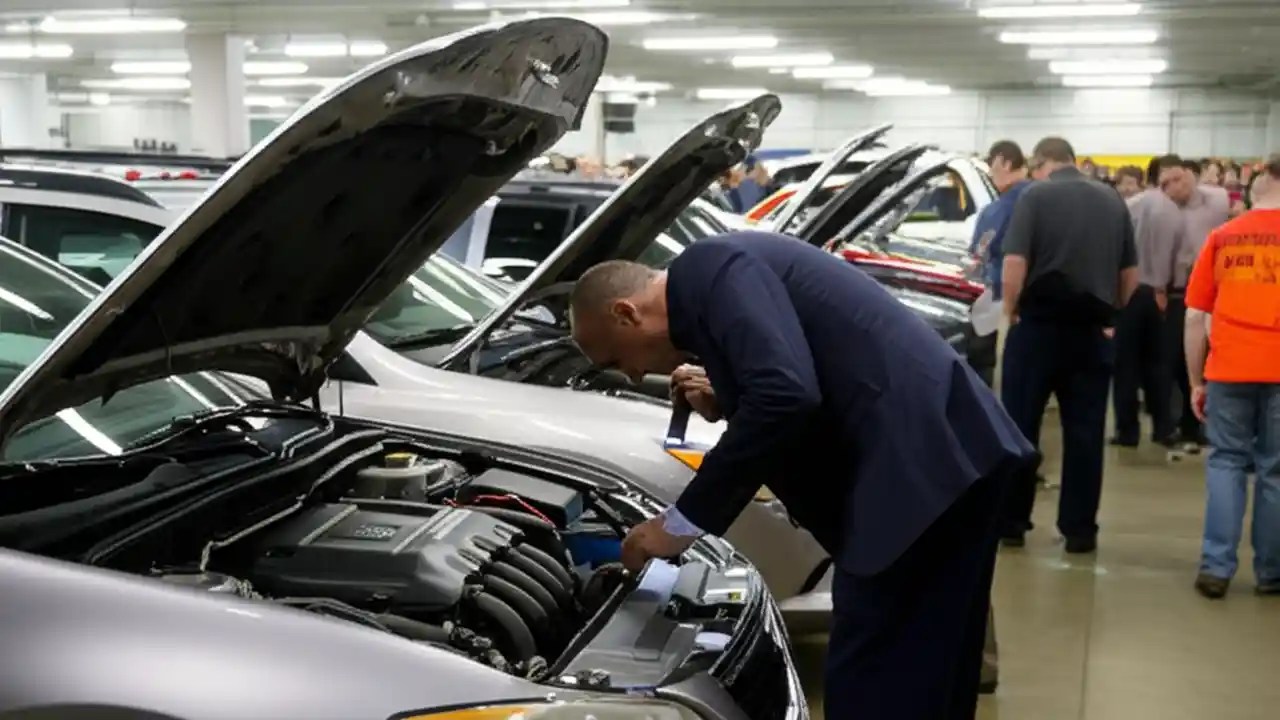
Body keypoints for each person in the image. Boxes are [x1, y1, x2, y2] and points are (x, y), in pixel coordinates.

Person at [568, 232, 1035, 719]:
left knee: (875, 681)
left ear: (626, 313)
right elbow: (803, 371)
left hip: (921, 474)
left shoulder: (712, 269)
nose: (634, 377)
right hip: (943, 462)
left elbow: (785, 395)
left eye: (617, 360)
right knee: (930, 673)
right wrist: (729, 397)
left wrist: (679, 526)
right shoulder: (716, 285)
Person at [998, 137, 1139, 553]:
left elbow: (1013, 264)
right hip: (1090, 331)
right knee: (1086, 431)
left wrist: (1011, 311)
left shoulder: (1034, 196)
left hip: (1038, 326)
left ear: (1042, 163)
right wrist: (1109, 313)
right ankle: (1079, 531)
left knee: (1020, 426)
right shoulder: (1113, 201)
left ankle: (1011, 522)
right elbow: (1130, 274)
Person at [1182, 154, 1280, 599]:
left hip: (1230, 366)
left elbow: (1194, 315)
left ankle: (1217, 568)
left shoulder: (1223, 237)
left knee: (1226, 462)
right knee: (1275, 471)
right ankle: (1271, 572)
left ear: (1262, 181)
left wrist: (1195, 379)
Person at [966, 139, 1031, 696]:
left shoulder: (1001, 207)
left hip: (1001, 313)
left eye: (992, 164)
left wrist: (1006, 312)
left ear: (1004, 164)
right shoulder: (1041, 199)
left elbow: (988, 258)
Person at [1158, 154, 1232, 452]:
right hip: (1175, 293)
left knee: (1204, 359)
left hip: (1210, 294)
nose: (1175, 186)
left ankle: (1197, 421)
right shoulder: (1162, 210)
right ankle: (1177, 420)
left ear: (1191, 175)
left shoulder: (1216, 201)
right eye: (1167, 182)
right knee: (1174, 360)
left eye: (1179, 178)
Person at [1111, 159, 1185, 449]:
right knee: (1158, 364)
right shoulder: (1175, 213)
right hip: (1159, 295)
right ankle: (1163, 427)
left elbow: (1118, 249)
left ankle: (1127, 431)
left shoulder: (1129, 207)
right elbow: (1177, 259)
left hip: (1128, 293)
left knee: (1125, 365)